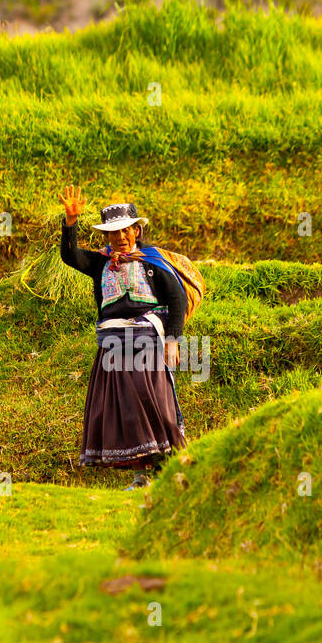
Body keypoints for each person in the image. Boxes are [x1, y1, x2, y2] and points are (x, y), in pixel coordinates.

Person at [57, 186, 187, 489]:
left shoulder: (153, 262)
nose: (119, 238)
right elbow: (70, 255)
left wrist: (173, 340)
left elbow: (176, 299)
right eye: (113, 233)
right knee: (126, 407)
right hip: (112, 342)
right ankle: (140, 476)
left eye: (125, 231)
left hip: (147, 339)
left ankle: (171, 467)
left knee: (154, 401)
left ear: (137, 230)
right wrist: (70, 223)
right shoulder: (101, 263)